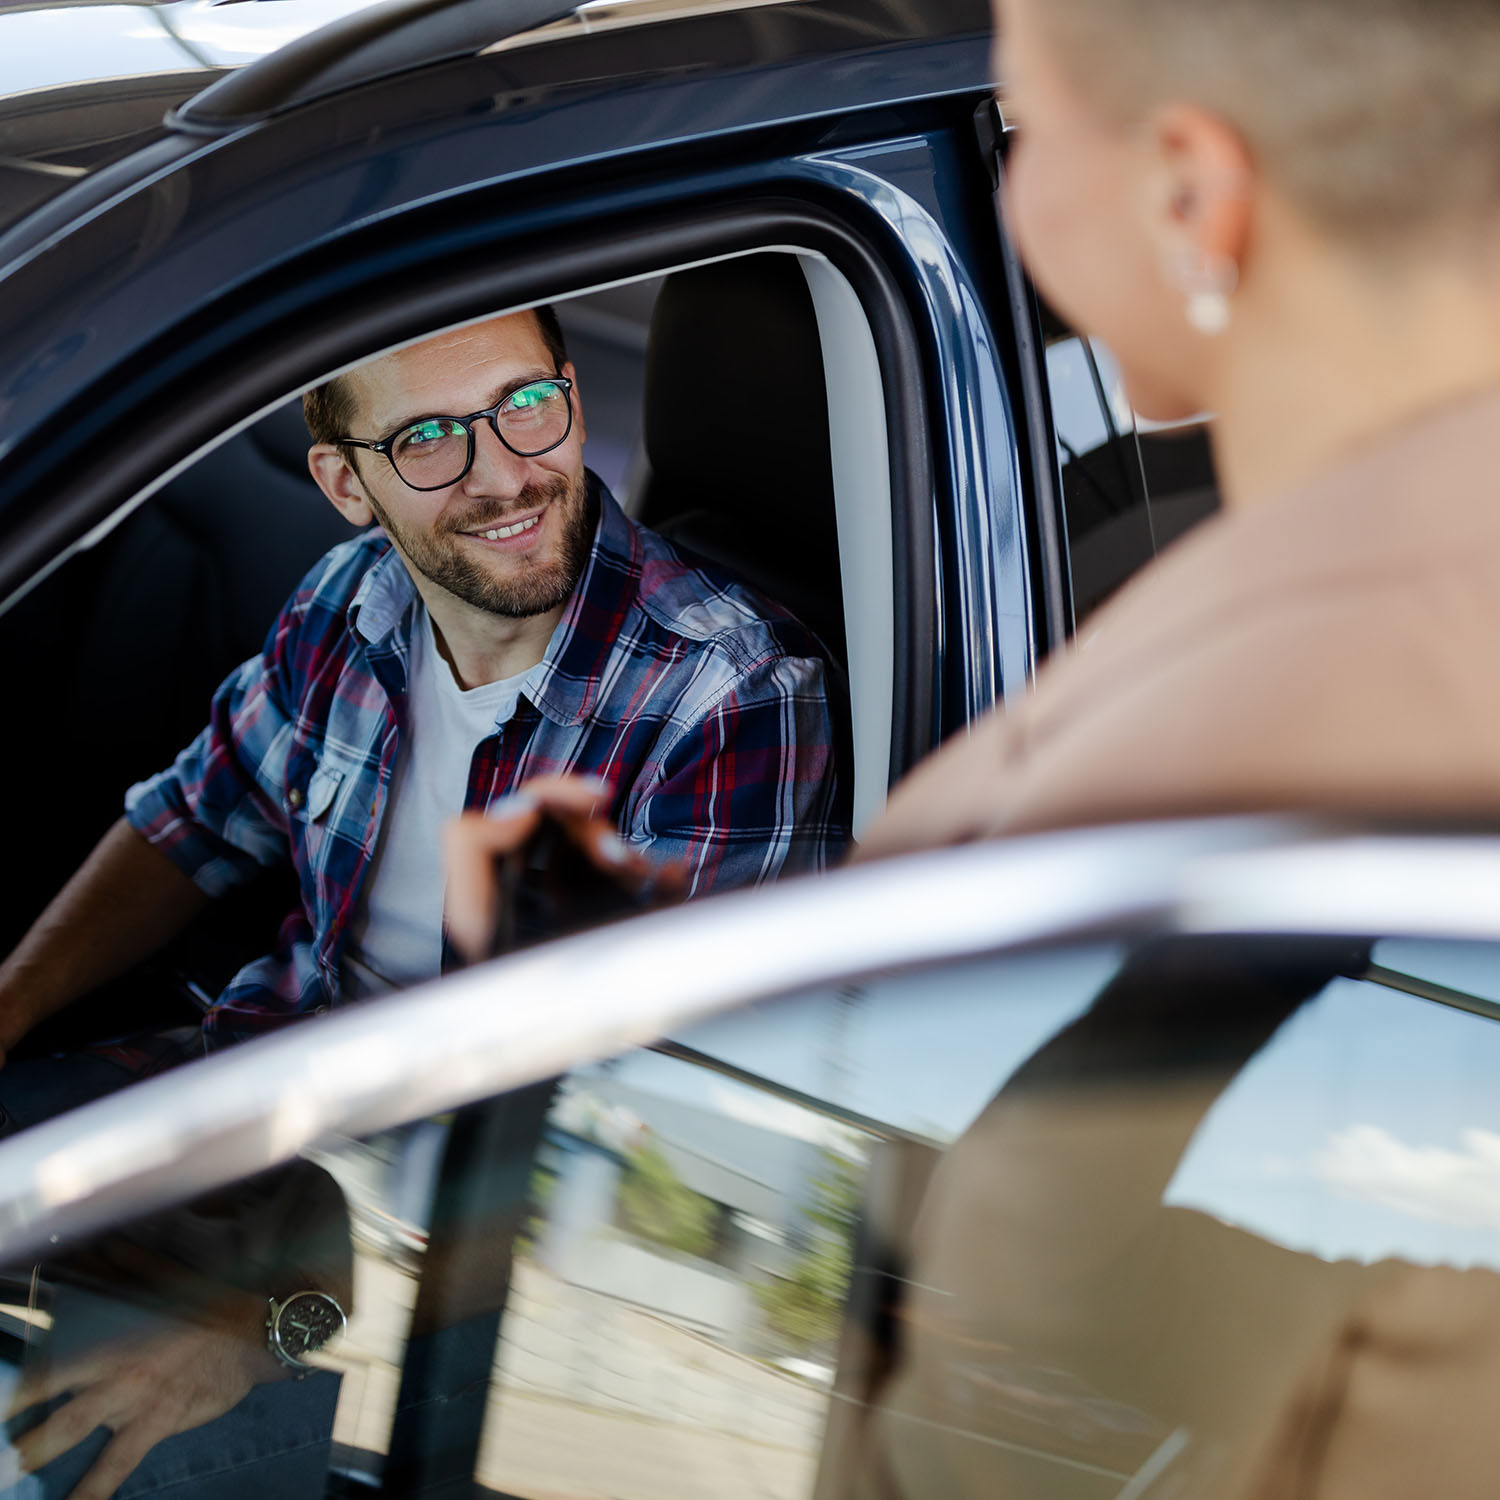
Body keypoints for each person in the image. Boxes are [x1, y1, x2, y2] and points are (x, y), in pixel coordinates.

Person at [0, 304, 847, 1113]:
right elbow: (195, 822)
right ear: (346, 485)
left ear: (575, 403)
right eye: (429, 438)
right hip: (258, 1074)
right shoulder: (348, 599)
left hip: (449, 1186)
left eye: (526, 404)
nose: (505, 476)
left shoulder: (732, 696)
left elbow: (633, 1089)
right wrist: (11, 1006)